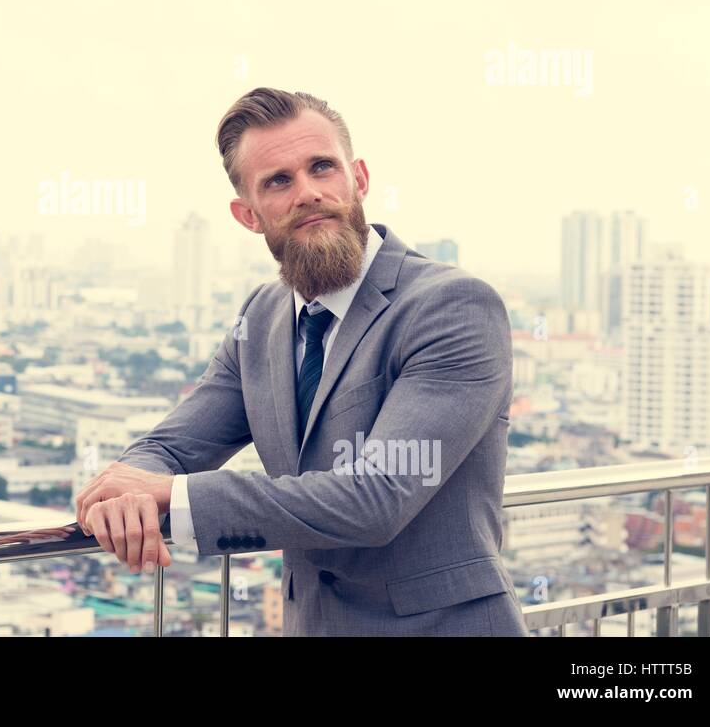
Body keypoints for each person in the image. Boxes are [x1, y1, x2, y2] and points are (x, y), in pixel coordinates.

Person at [74, 87, 528, 635]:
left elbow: (378, 497)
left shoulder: (450, 306)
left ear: (358, 178)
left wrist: (171, 493)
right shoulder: (262, 317)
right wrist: (129, 482)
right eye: (278, 181)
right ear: (248, 214)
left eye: (322, 168)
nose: (309, 193)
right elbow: (176, 444)